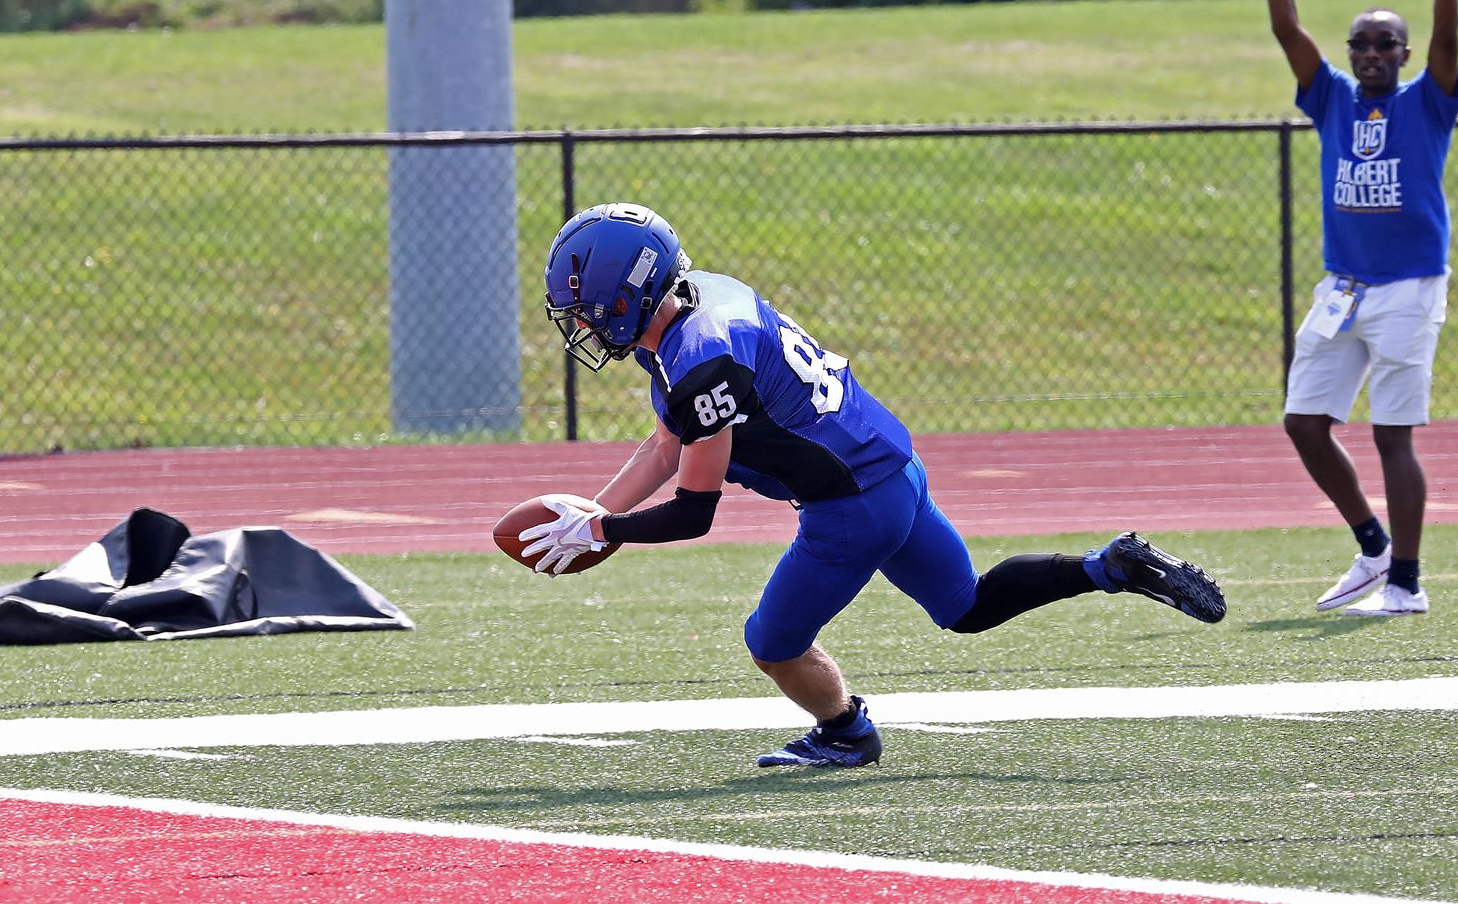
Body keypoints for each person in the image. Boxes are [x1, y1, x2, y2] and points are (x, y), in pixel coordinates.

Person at [517, 202, 1226, 769]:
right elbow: (669, 438)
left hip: (849, 508)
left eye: (587, 309)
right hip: (894, 468)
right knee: (965, 605)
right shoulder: (706, 302)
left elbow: (695, 510)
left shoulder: (702, 361)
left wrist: (602, 530)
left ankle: (845, 730)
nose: (581, 325)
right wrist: (599, 508)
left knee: (771, 641)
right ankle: (1112, 566)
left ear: (630, 294)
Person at [1255, 0, 1458, 617]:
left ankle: (1406, 580)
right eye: (1361, 44)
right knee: (1304, 422)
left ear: (1404, 55)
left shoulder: (1428, 102)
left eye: (1386, 43)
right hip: (1343, 286)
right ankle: (1372, 543)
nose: (1373, 52)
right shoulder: (1333, 97)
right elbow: (1287, 31)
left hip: (1409, 285)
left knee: (1391, 435)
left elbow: (1447, 37)